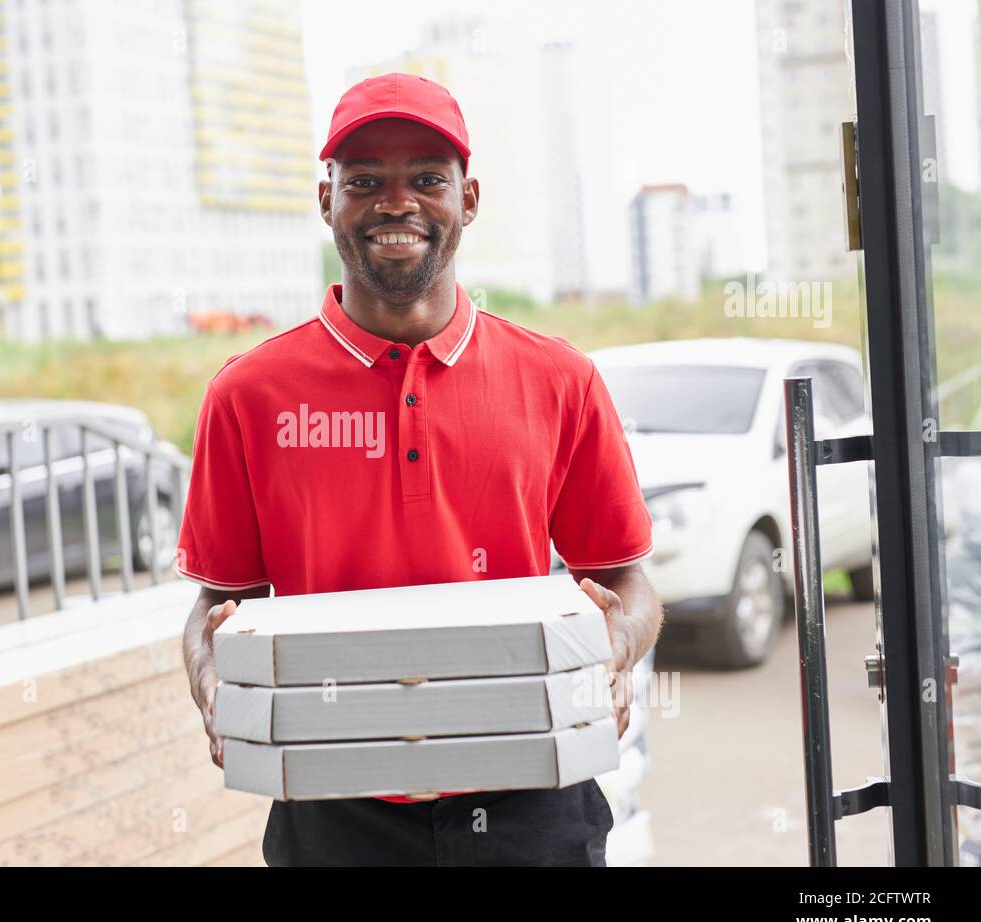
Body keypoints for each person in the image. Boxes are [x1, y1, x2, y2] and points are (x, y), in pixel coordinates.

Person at [177, 72, 663, 866]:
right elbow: (216, 603)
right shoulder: (248, 396)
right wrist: (209, 676)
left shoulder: (559, 380)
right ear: (326, 200)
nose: (395, 202)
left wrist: (614, 649)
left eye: (426, 179)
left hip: (532, 797)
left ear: (468, 199)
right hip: (333, 807)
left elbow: (629, 583)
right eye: (364, 180)